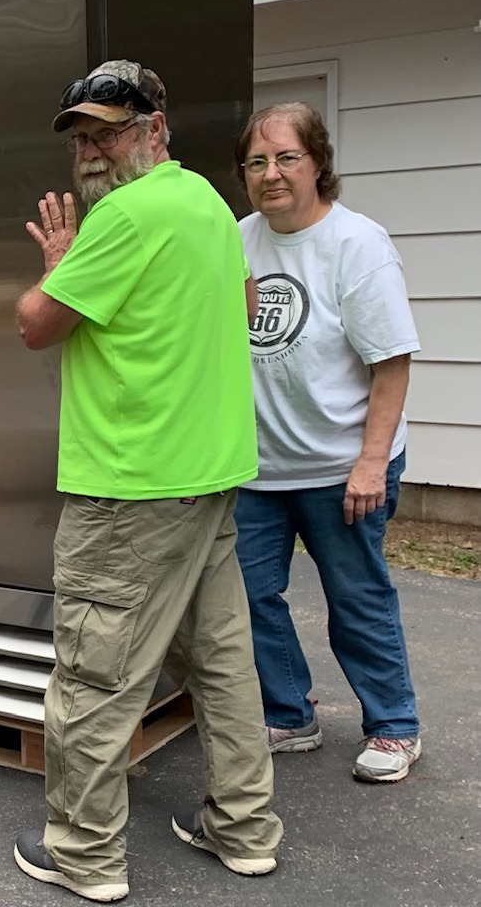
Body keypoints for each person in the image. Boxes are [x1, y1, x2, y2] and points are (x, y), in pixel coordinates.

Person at [12, 61, 281, 903]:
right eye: (82, 136)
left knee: (94, 673)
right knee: (222, 663)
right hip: (208, 478)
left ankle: (85, 855)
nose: (92, 149)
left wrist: (59, 260)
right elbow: (239, 309)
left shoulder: (122, 217)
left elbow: (34, 324)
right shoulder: (205, 202)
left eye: (109, 130)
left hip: (130, 489)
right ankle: (243, 830)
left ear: (155, 129)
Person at [234, 102, 421, 783]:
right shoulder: (237, 238)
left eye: (286, 157)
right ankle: (288, 713)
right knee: (248, 598)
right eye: (256, 162)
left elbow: (390, 361)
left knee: (355, 598)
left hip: (342, 465)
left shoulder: (356, 244)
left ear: (316, 162)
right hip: (256, 470)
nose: (270, 173)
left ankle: (393, 725)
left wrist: (370, 463)